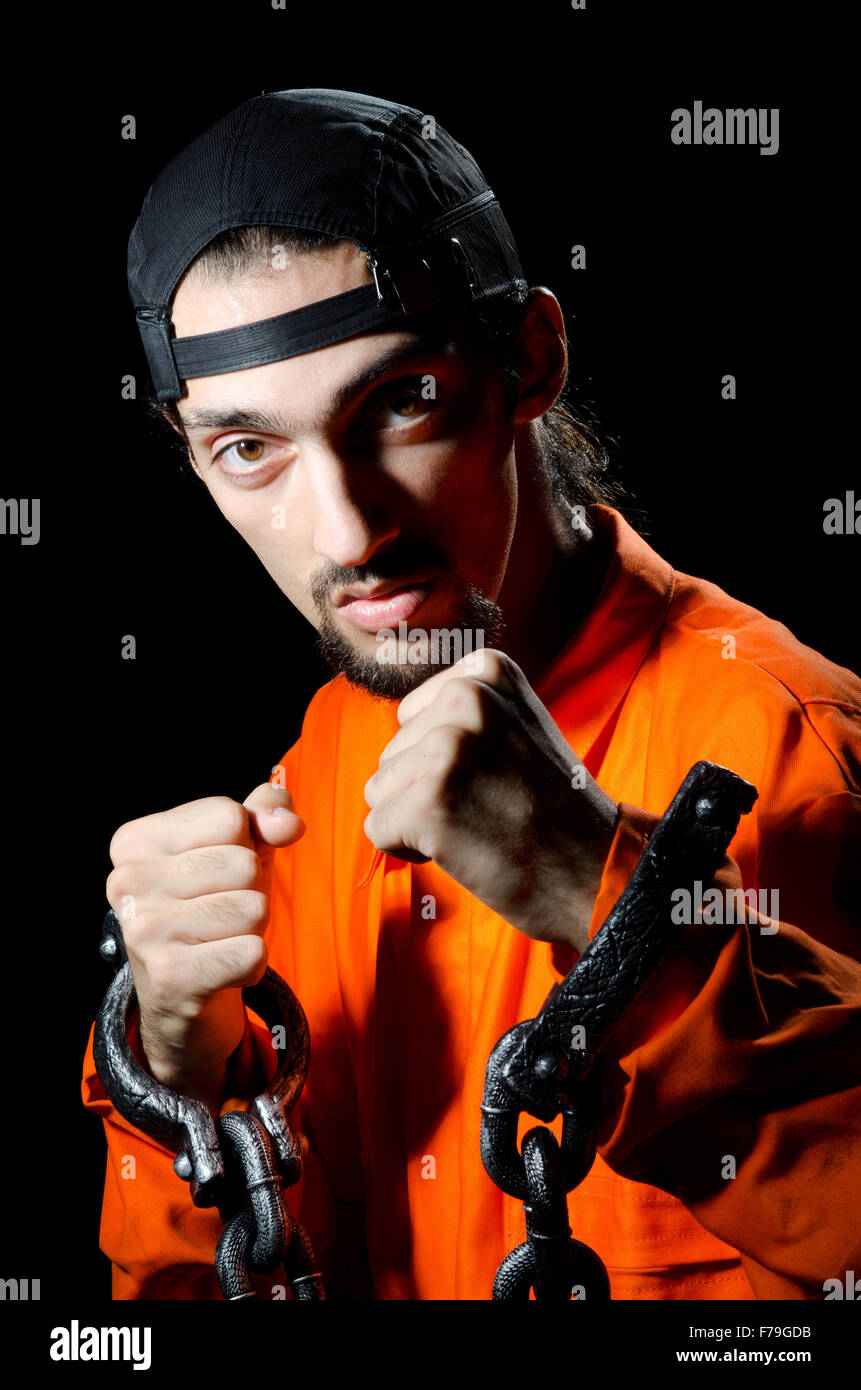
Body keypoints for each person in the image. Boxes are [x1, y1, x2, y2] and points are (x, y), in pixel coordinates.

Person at [82, 88, 861, 1301]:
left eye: (401, 402)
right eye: (251, 449)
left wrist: (619, 910)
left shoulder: (799, 742)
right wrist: (180, 1076)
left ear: (529, 360)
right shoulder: (317, 771)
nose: (347, 530)